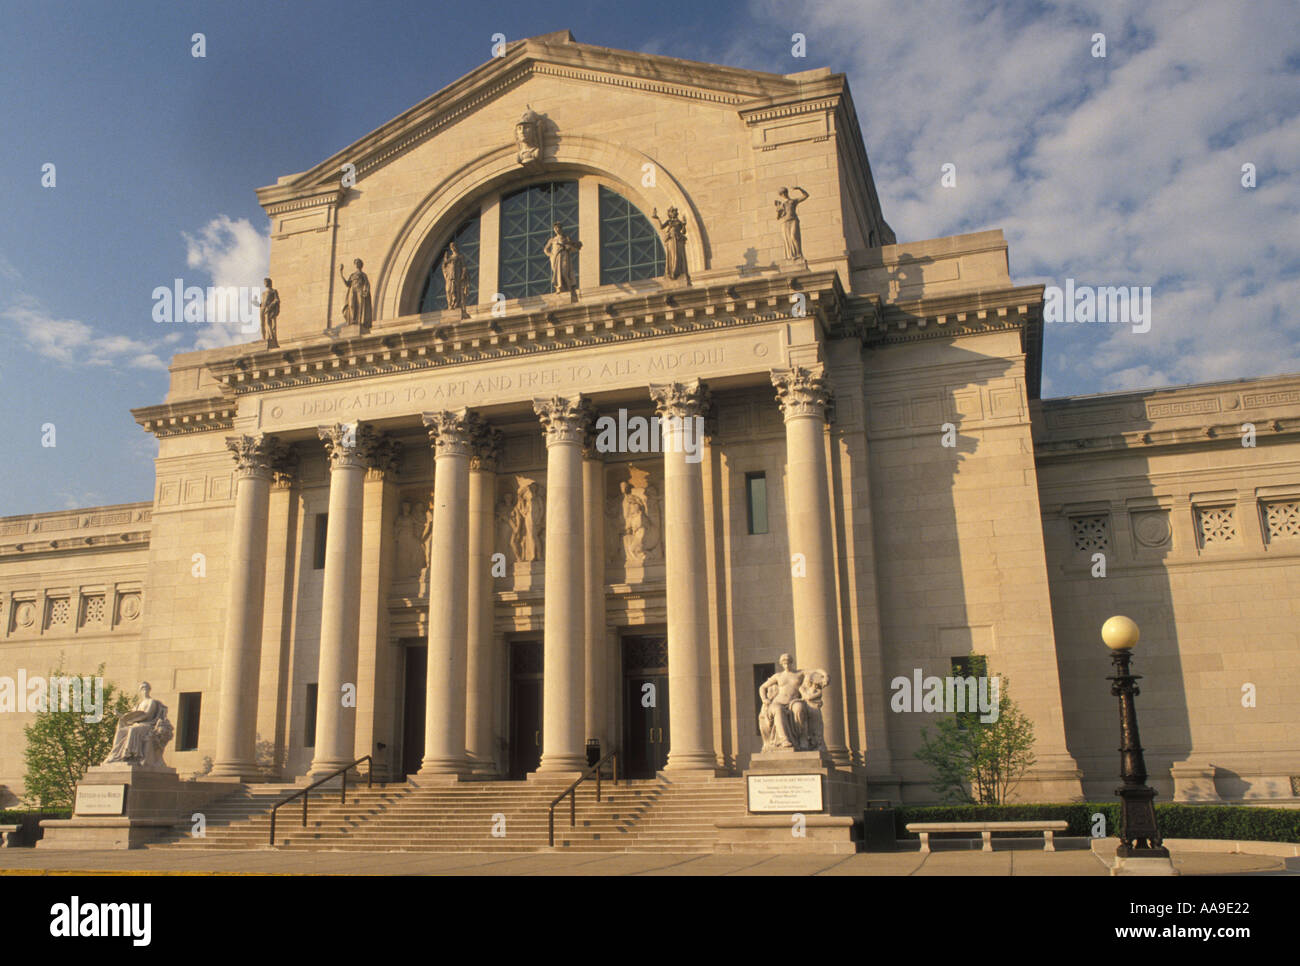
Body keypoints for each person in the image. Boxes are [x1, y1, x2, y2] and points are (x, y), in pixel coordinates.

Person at [104, 682, 173, 767]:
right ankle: (115, 756)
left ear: (149, 690)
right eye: (142, 688)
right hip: (137, 724)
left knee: (133, 730)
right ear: (140, 691)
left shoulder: (151, 702)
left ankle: (130, 754)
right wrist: (120, 715)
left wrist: (133, 720)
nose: (145, 690)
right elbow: (129, 717)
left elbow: (147, 714)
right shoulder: (139, 704)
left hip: (147, 725)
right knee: (121, 731)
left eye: (146, 688)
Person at [543, 222, 581, 298]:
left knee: (564, 272)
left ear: (561, 229)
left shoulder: (566, 238)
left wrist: (569, 247)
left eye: (558, 228)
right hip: (555, 258)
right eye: (555, 228)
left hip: (564, 256)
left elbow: (573, 246)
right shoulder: (552, 240)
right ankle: (559, 288)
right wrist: (551, 255)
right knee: (557, 273)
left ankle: (568, 287)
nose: (557, 229)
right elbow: (546, 249)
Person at [651, 207, 688, 280]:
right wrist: (658, 218)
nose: (673, 213)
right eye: (672, 212)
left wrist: (684, 224)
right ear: (670, 214)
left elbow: (683, 232)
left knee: (678, 255)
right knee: (671, 255)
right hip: (671, 239)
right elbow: (661, 227)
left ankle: (678, 271)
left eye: (674, 211)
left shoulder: (679, 222)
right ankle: (671, 271)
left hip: (678, 238)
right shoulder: (668, 221)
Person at [774, 186, 809, 260]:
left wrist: (800, 189)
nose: (784, 194)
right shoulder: (781, 204)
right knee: (787, 240)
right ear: (781, 195)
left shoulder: (792, 201)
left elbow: (806, 196)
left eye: (785, 192)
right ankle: (791, 256)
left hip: (793, 220)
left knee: (793, 237)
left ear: (787, 192)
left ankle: (799, 255)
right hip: (785, 222)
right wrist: (778, 211)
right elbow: (778, 217)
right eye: (782, 193)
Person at [339, 258, 373, 329]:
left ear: (361, 265)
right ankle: (352, 320)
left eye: (358, 262)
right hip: (352, 291)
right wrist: (341, 273)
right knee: (351, 305)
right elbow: (347, 284)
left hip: (359, 290)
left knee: (360, 305)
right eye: (356, 263)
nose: (357, 264)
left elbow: (367, 283)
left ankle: (359, 321)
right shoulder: (352, 275)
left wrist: (365, 291)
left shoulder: (363, 274)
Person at [259, 277, 280, 347]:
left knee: (268, 322)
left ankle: (271, 336)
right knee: (262, 323)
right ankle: (263, 337)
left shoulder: (273, 291)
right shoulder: (263, 293)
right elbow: (262, 301)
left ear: (269, 283)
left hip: (268, 307)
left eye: (266, 282)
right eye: (264, 282)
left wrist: (271, 305)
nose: (265, 284)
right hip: (262, 308)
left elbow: (277, 300)